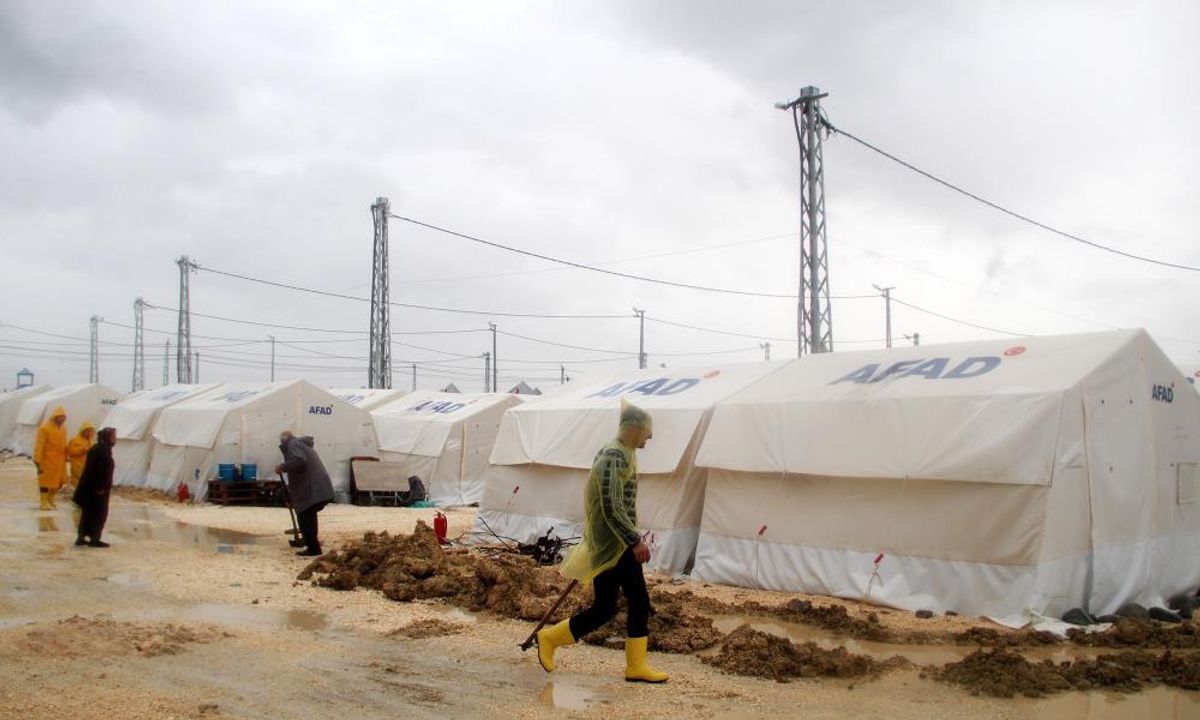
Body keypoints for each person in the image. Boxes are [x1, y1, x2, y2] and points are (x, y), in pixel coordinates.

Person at [536, 400, 668, 683]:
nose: (650, 437)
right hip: (615, 546)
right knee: (638, 601)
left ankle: (550, 638)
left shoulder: (625, 453)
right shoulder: (615, 456)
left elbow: (619, 502)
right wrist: (634, 540)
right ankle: (635, 666)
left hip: (614, 544)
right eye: (647, 431)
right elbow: (610, 505)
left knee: (606, 607)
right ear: (634, 428)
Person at [274, 431, 334, 557]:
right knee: (308, 515)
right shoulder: (301, 445)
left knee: (304, 515)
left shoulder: (293, 445)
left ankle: (313, 548)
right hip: (318, 487)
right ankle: (310, 543)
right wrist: (292, 497)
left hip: (313, 488)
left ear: (285, 439)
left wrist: (283, 467)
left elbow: (300, 460)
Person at [73, 427, 116, 547]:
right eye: (113, 437)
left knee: (88, 513)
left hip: (90, 487)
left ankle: (82, 536)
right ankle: (94, 538)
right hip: (97, 489)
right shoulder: (102, 450)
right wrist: (101, 487)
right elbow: (99, 471)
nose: (115, 439)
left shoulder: (98, 448)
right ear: (107, 438)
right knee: (99, 514)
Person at [32, 406, 68, 510]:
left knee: (61, 480)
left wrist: (67, 455)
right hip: (47, 459)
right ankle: (43, 502)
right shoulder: (44, 428)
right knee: (45, 481)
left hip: (60, 459)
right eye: (61, 417)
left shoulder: (64, 428)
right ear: (55, 417)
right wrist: (37, 461)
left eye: (64, 417)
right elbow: (40, 444)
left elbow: (64, 443)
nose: (63, 419)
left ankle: (50, 498)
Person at [66, 421, 96, 490]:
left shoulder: (90, 441)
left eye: (91, 431)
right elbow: (70, 451)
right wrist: (82, 450)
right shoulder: (75, 440)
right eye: (87, 431)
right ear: (83, 430)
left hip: (86, 464)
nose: (89, 433)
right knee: (77, 481)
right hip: (77, 465)